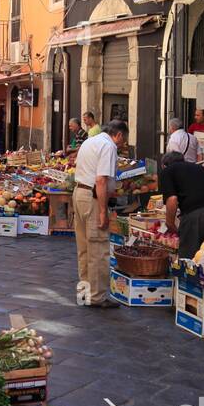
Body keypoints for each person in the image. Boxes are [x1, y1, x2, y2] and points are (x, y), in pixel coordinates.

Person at [72, 119, 127, 308]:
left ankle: (84, 293)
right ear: (118, 134)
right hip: (92, 198)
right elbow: (101, 180)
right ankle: (96, 297)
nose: (122, 145)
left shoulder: (90, 141)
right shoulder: (108, 146)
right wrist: (103, 211)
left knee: (84, 249)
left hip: (78, 194)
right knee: (98, 248)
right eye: (123, 140)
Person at [159, 151, 204, 261]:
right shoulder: (201, 168)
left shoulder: (168, 171)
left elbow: (172, 199)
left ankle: (187, 278)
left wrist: (170, 223)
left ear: (164, 165)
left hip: (198, 213)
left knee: (189, 258)